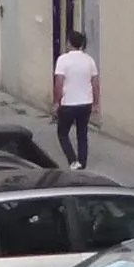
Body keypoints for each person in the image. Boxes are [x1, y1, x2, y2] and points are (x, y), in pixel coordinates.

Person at [52, 31, 98, 167]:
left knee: (62, 133)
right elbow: (95, 83)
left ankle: (72, 160)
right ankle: (82, 163)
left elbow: (59, 83)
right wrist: (96, 103)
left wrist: (56, 102)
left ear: (69, 43)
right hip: (85, 103)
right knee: (82, 135)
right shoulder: (89, 60)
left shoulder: (63, 60)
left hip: (68, 104)